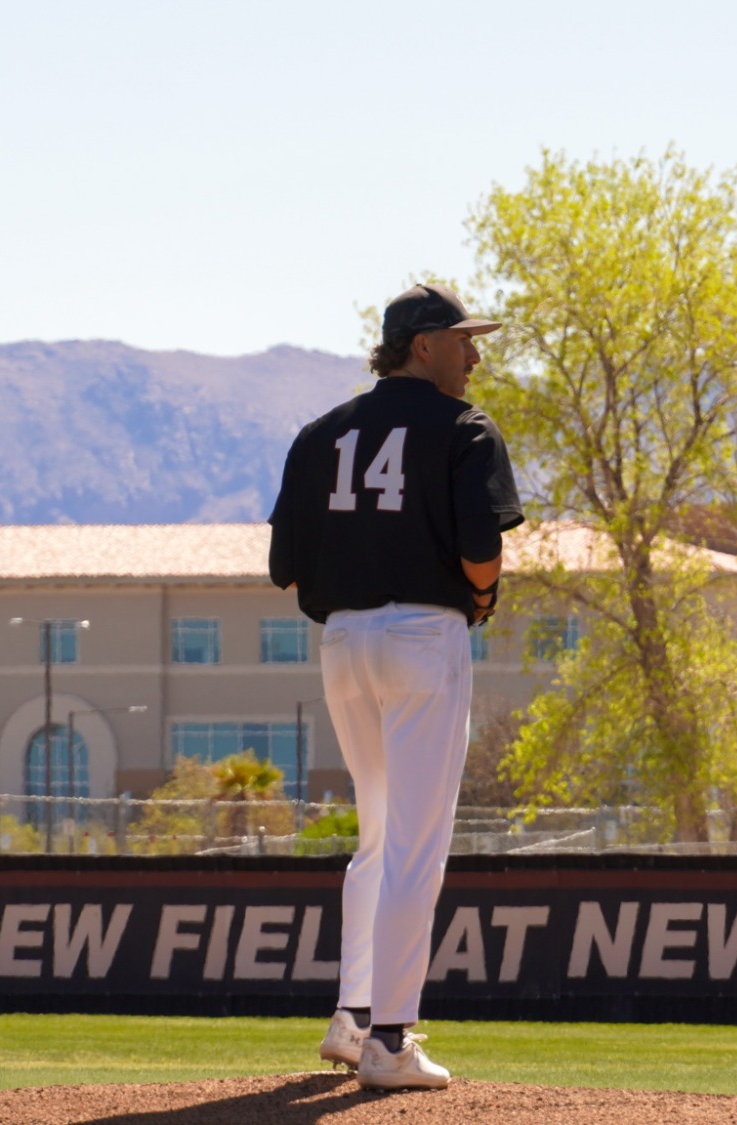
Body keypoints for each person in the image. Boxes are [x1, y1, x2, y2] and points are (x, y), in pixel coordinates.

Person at [269, 282, 524, 1090]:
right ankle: (389, 1038)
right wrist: (480, 596)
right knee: (417, 843)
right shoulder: (464, 426)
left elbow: (285, 564)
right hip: (423, 635)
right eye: (462, 339)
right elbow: (482, 548)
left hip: (343, 641)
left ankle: (350, 1018)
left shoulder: (320, 434)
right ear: (424, 345)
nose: (474, 353)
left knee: (377, 835)